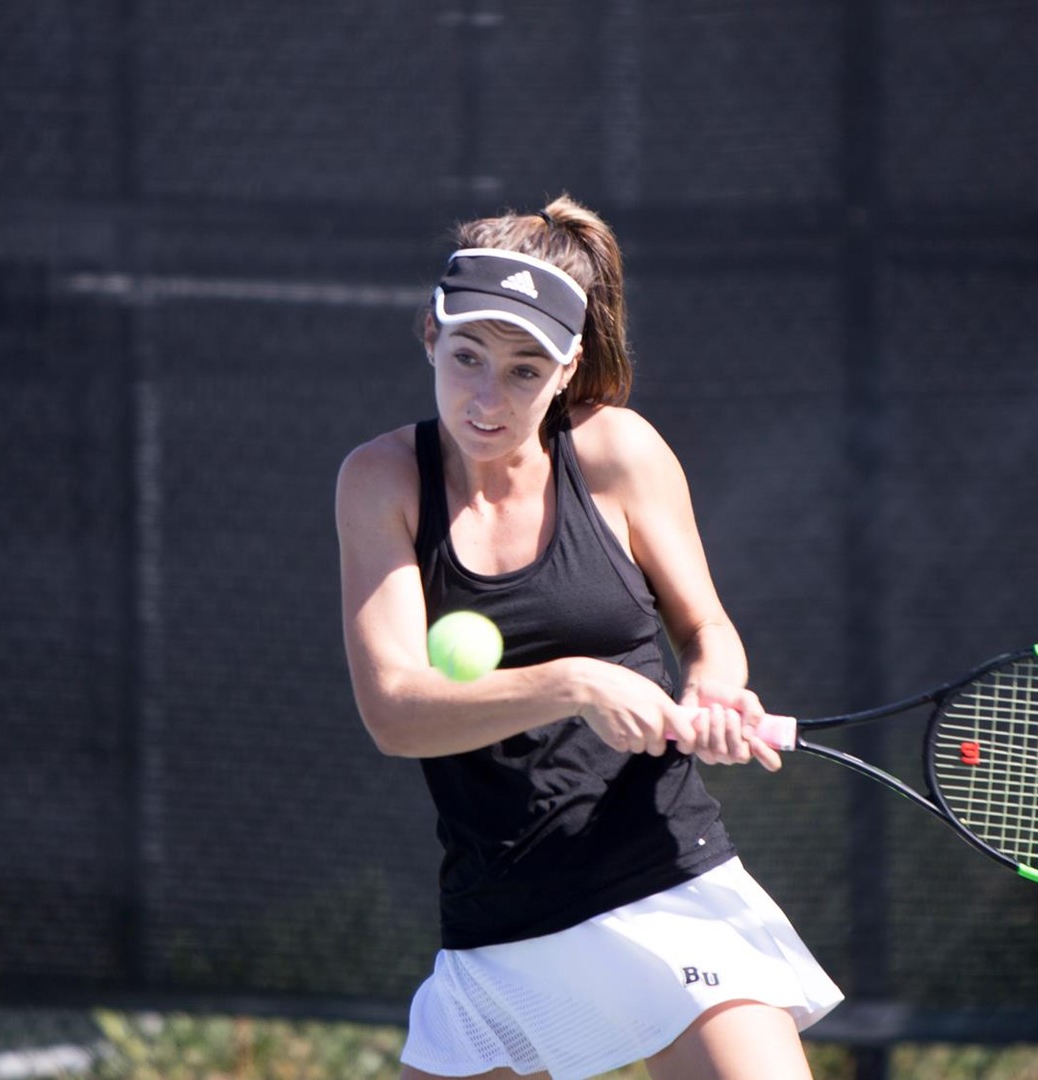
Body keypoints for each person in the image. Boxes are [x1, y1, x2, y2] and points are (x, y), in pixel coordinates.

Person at [336, 195, 841, 1080]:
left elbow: (707, 630)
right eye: (467, 358)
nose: (488, 398)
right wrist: (576, 682)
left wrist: (715, 689)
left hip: (663, 883)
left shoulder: (620, 454)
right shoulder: (381, 481)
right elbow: (396, 712)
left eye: (526, 370)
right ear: (428, 335)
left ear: (570, 366)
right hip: (498, 922)